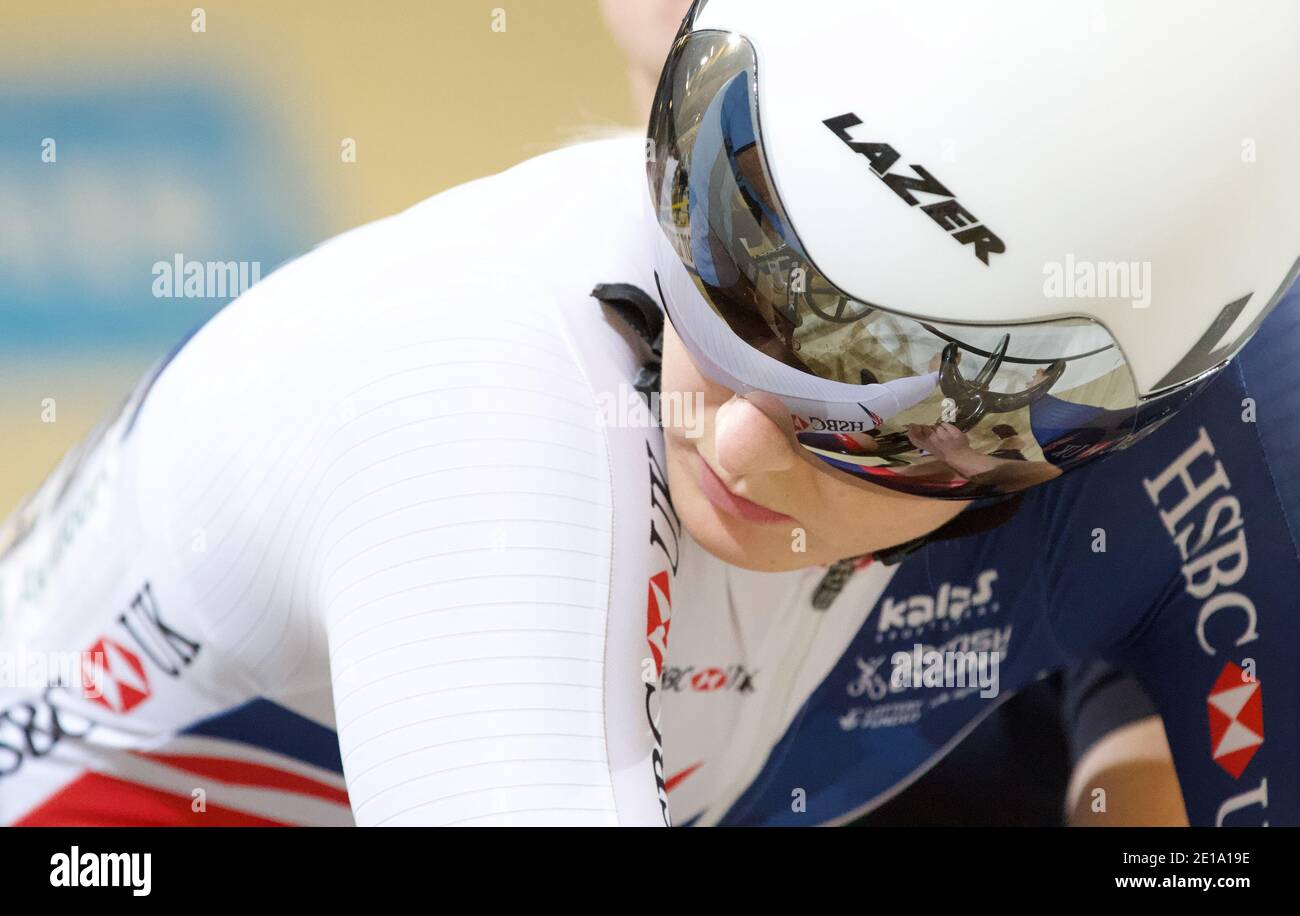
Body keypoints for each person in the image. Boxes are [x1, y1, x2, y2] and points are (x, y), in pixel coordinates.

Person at [1, 0, 1297, 827]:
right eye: (737, 253)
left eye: (899, 410)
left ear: (1102, 428)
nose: (735, 439)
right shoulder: (468, 393)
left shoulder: (1238, 414)